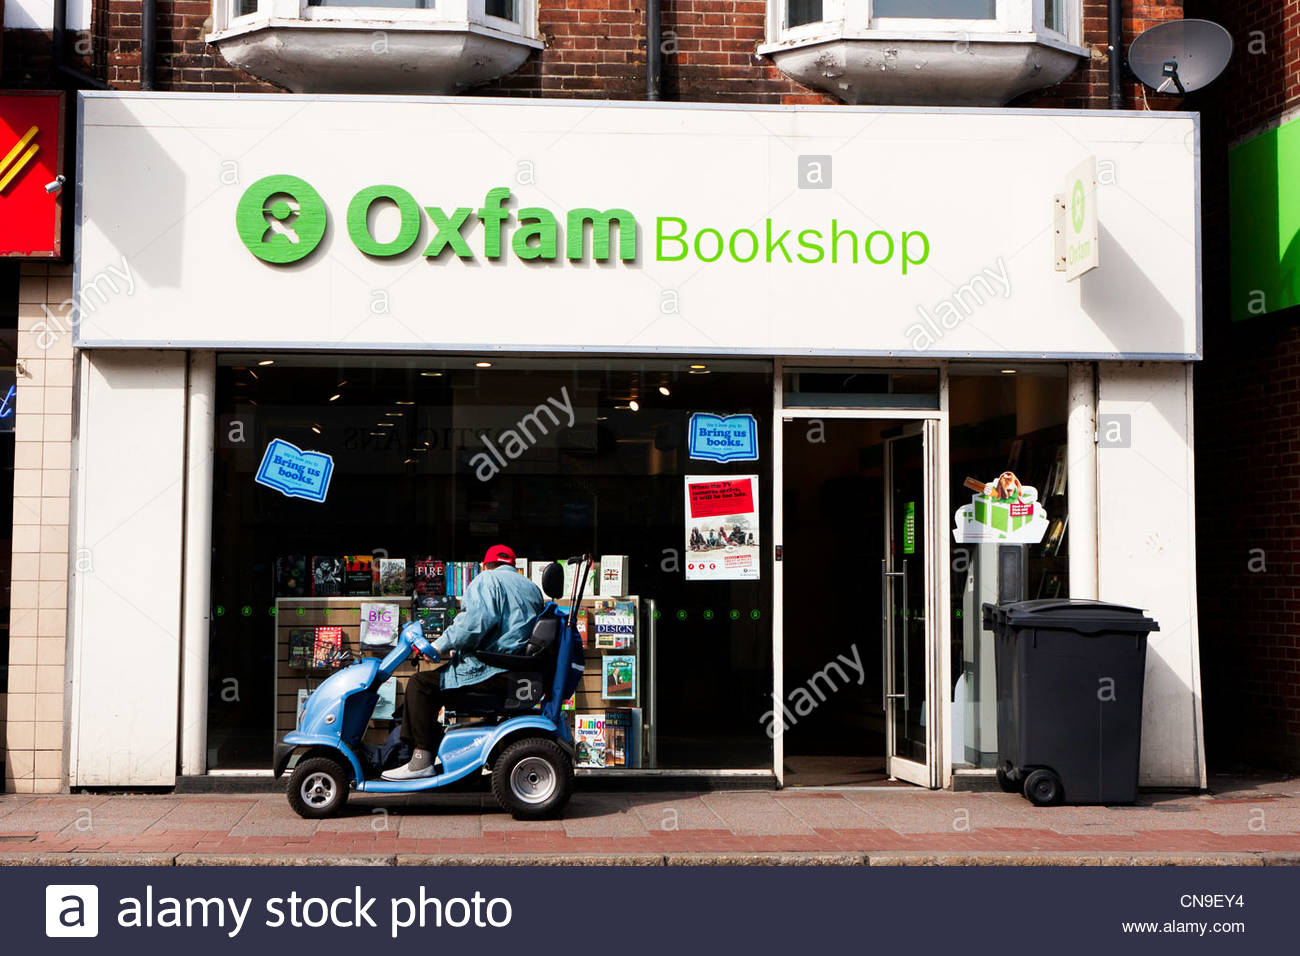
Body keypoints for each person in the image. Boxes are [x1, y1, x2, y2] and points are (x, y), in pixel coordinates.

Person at [383, 544, 544, 781]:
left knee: (420, 684)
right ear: (512, 565)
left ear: (485, 564)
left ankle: (420, 760)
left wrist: (439, 645)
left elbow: (474, 624)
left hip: (490, 671)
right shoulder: (532, 588)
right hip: (516, 671)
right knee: (433, 680)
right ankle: (430, 749)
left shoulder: (487, 580)